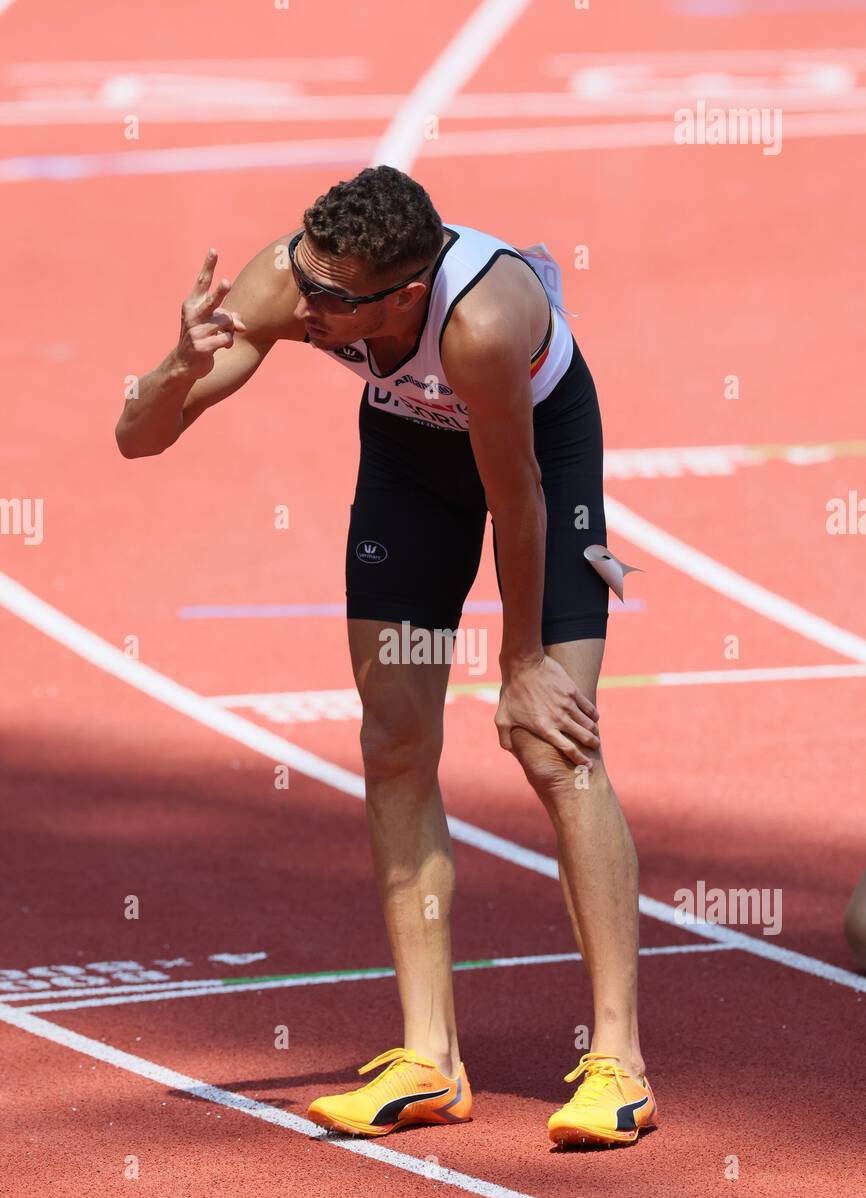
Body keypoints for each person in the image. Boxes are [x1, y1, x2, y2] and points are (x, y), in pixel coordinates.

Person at [115, 165, 656, 1148]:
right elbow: (137, 440)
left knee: (552, 744)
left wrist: (523, 656)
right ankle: (428, 1059)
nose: (303, 308)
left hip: (536, 460)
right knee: (394, 741)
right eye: (303, 280)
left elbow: (517, 496)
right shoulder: (295, 278)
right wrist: (172, 368)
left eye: (330, 299)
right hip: (408, 464)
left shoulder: (481, 323)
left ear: (404, 295)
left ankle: (617, 1059)